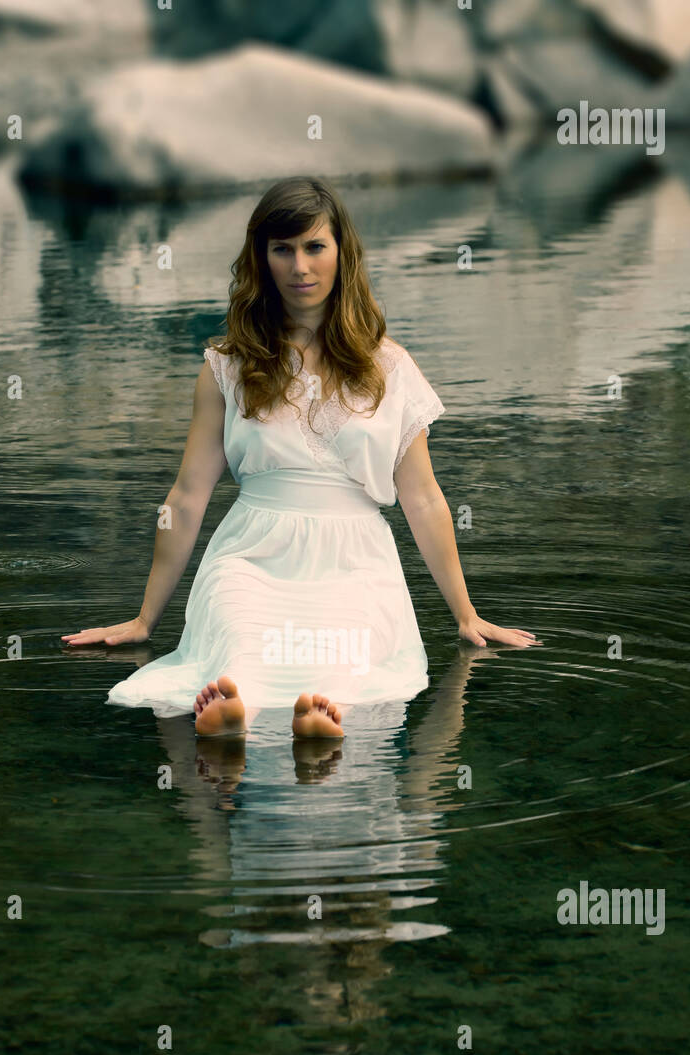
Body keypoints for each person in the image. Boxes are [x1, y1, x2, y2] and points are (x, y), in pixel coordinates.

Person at [61, 176, 539, 738]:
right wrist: (146, 619)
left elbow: (424, 497)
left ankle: (310, 739)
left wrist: (466, 614)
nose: (299, 266)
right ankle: (232, 725)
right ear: (262, 259)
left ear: (342, 254)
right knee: (237, 646)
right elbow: (187, 497)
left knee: (338, 665)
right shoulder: (228, 366)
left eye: (315, 247)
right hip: (250, 554)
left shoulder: (390, 368)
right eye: (282, 249)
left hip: (354, 559)